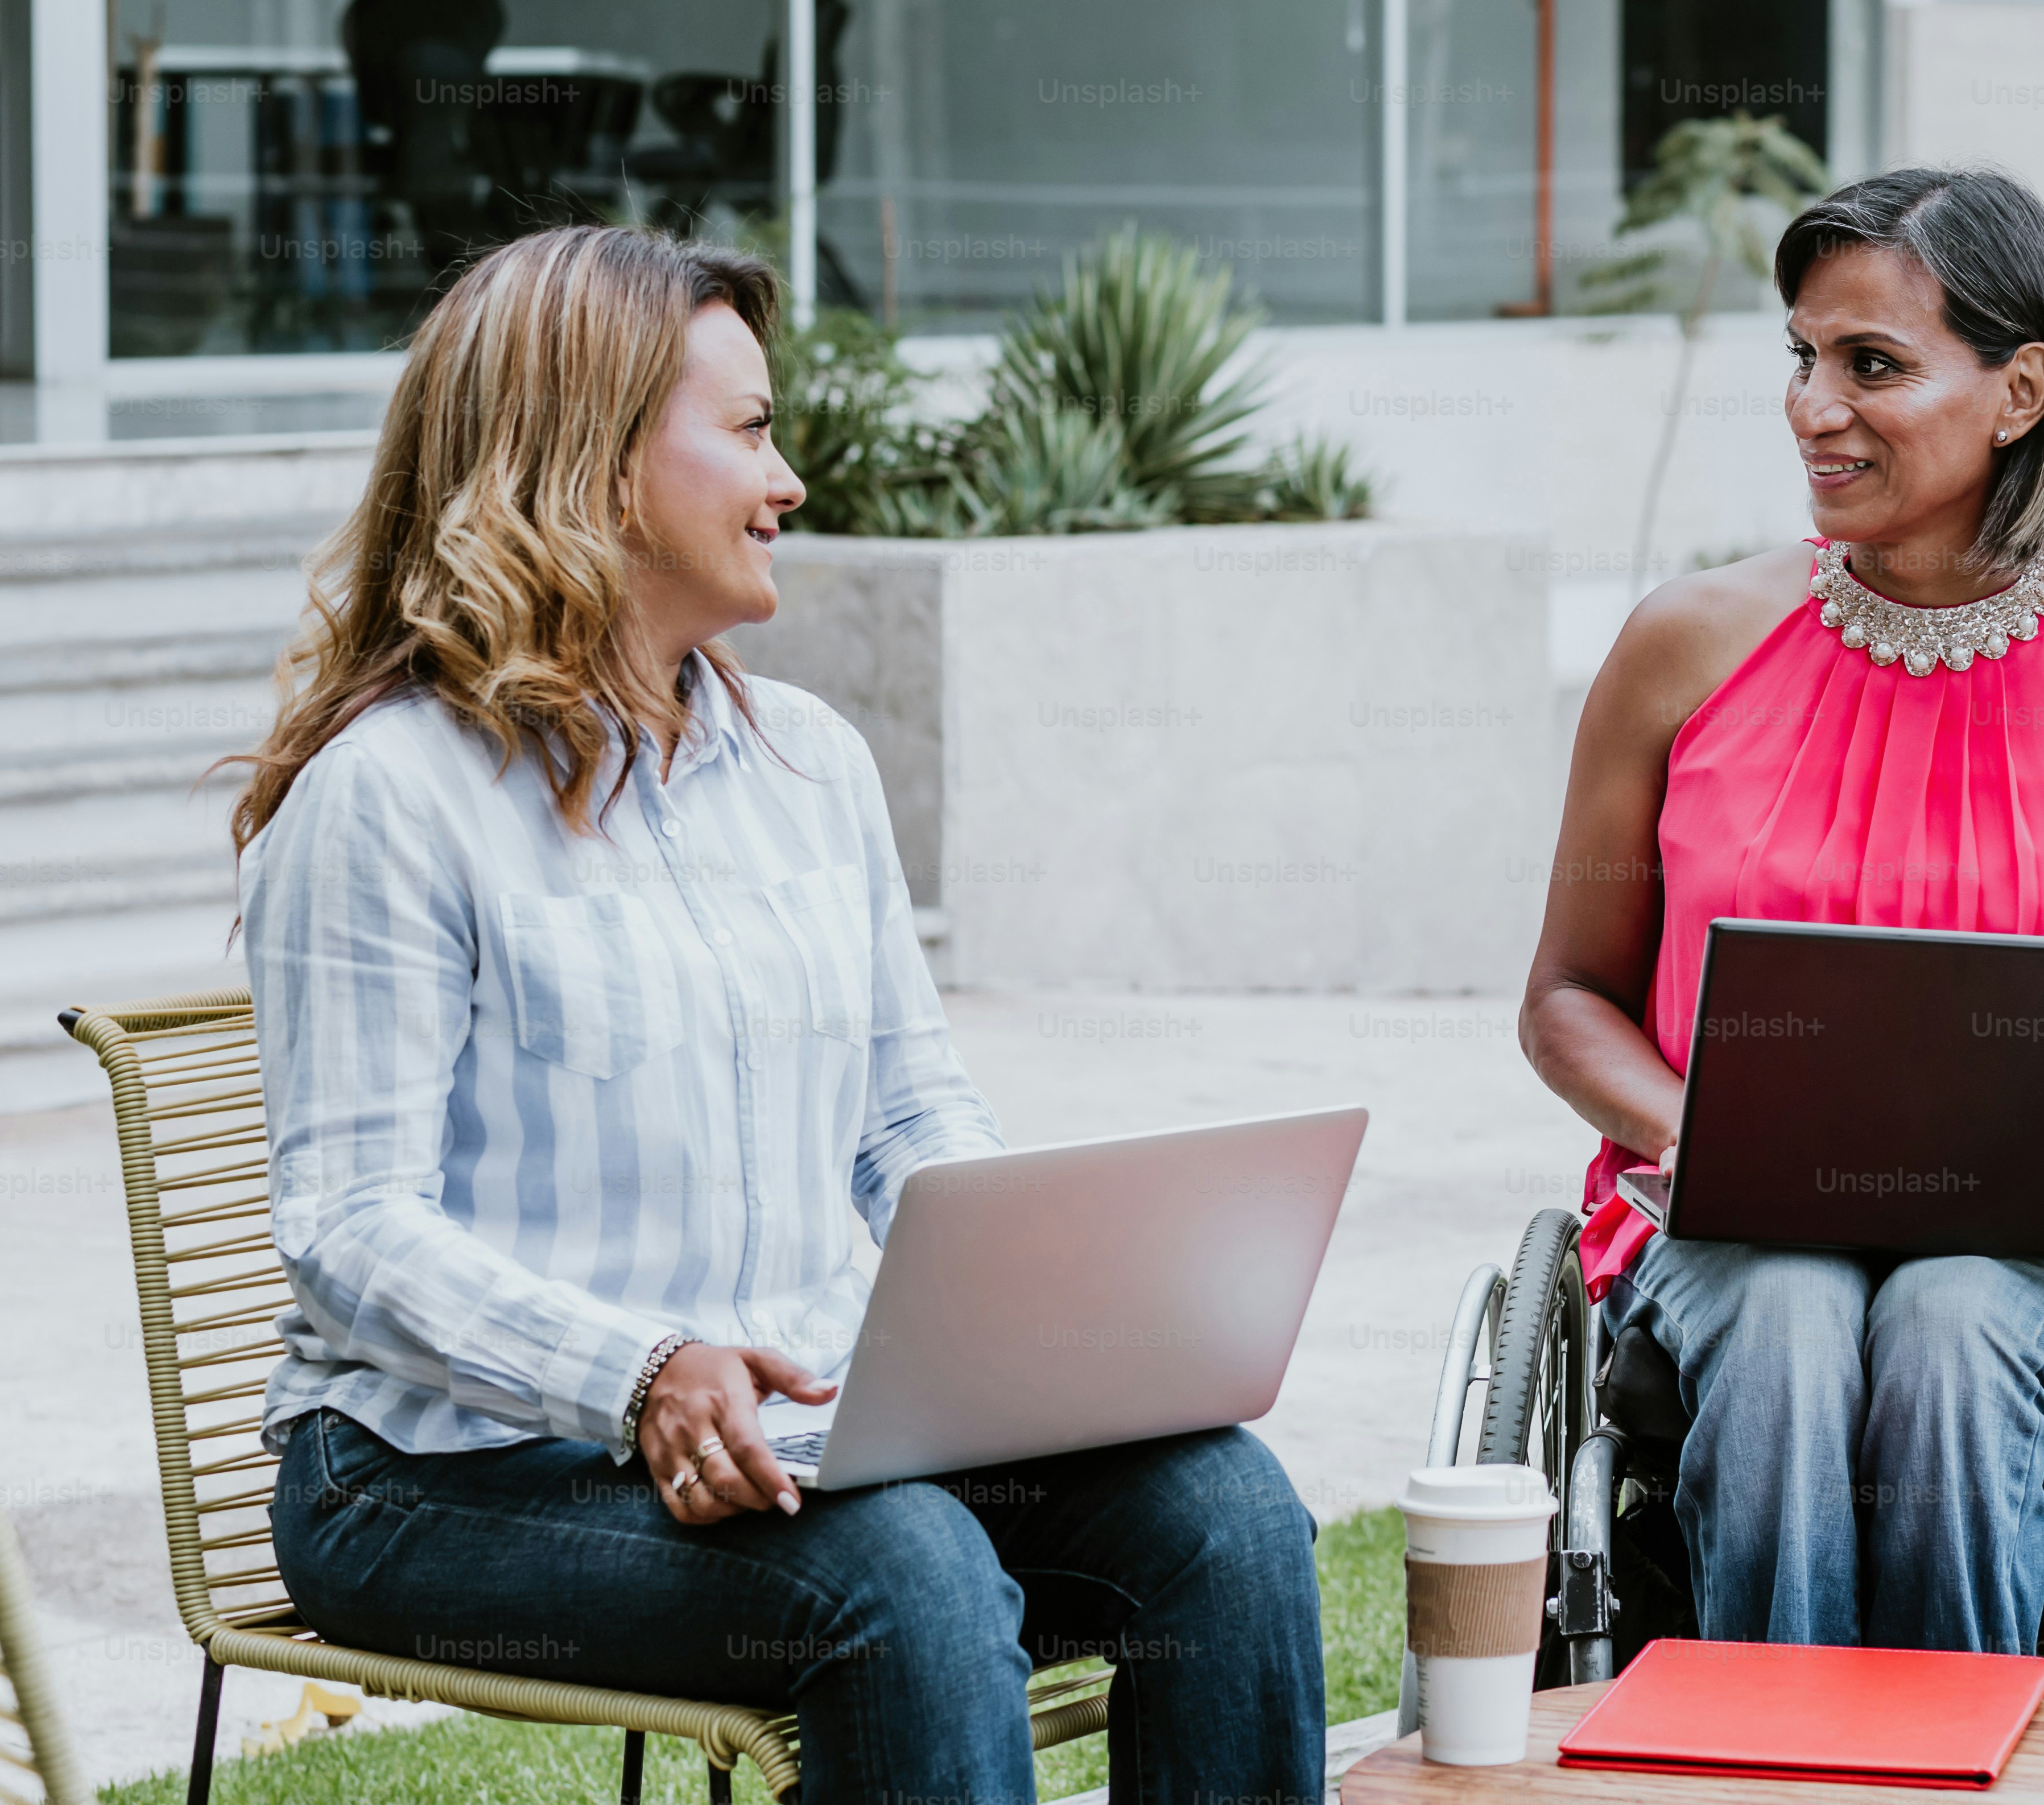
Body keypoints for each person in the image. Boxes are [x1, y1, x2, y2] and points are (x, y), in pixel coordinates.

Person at [230, 226, 1324, 1805]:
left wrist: (1041, 1308)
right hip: (436, 1472)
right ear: (594, 466)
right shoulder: (388, 798)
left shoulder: (810, 761)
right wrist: (643, 1371)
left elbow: (906, 1113)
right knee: (904, 1576)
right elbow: (350, 1226)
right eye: (748, 432)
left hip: (806, 1434)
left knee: (1224, 1517)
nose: (788, 481)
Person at [1518, 167, 2044, 1655]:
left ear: (2020, 391)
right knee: (1785, 1322)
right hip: (1727, 1224)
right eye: (1803, 357)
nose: (1813, 408)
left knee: (1954, 1324)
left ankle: (1950, 1739)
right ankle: (1767, 1741)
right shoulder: (1684, 648)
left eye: (1873, 365)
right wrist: (1693, 1132)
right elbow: (1568, 999)